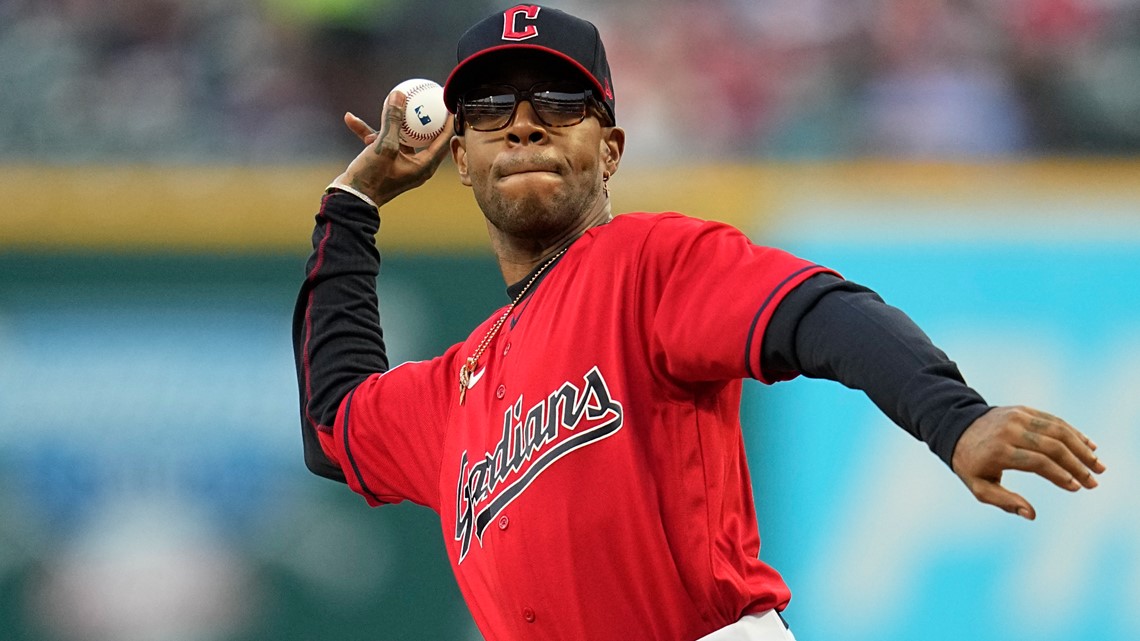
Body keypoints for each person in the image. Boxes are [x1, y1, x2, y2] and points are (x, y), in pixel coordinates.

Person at [293, 5, 1105, 641]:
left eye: (562, 101)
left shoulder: (648, 263)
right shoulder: (456, 390)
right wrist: (355, 202)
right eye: (493, 105)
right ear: (459, 156)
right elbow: (335, 424)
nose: (526, 121)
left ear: (609, 149)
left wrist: (952, 416)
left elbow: (815, 312)